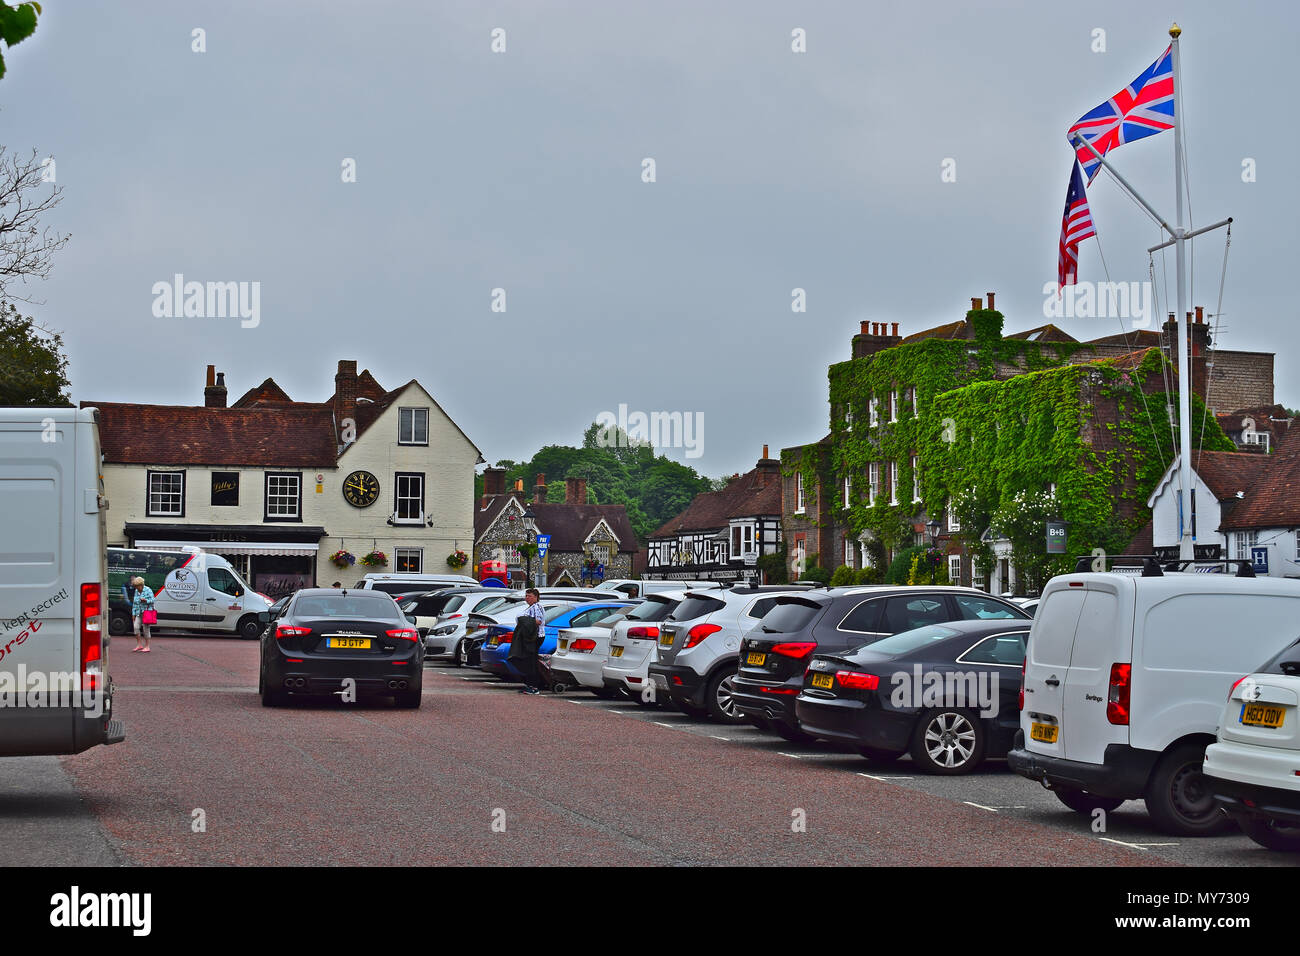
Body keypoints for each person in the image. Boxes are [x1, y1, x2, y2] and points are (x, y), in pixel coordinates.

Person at [508, 588, 545, 695]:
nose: (527, 598)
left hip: (534, 637)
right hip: (528, 637)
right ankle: (530, 685)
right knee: (528, 660)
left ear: (536, 597)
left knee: (531, 661)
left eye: (529, 596)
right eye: (526, 596)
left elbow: (538, 621)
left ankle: (534, 687)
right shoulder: (530, 607)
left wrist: (523, 620)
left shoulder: (537, 607)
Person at [131, 576, 155, 652]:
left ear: (141, 585)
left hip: (146, 612)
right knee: (135, 627)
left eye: (137, 586)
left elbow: (153, 600)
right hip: (138, 612)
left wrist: (146, 600)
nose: (136, 588)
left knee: (146, 629)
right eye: (135, 586)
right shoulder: (136, 591)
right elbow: (134, 603)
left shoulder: (148, 590)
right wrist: (133, 614)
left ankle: (147, 646)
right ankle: (139, 645)